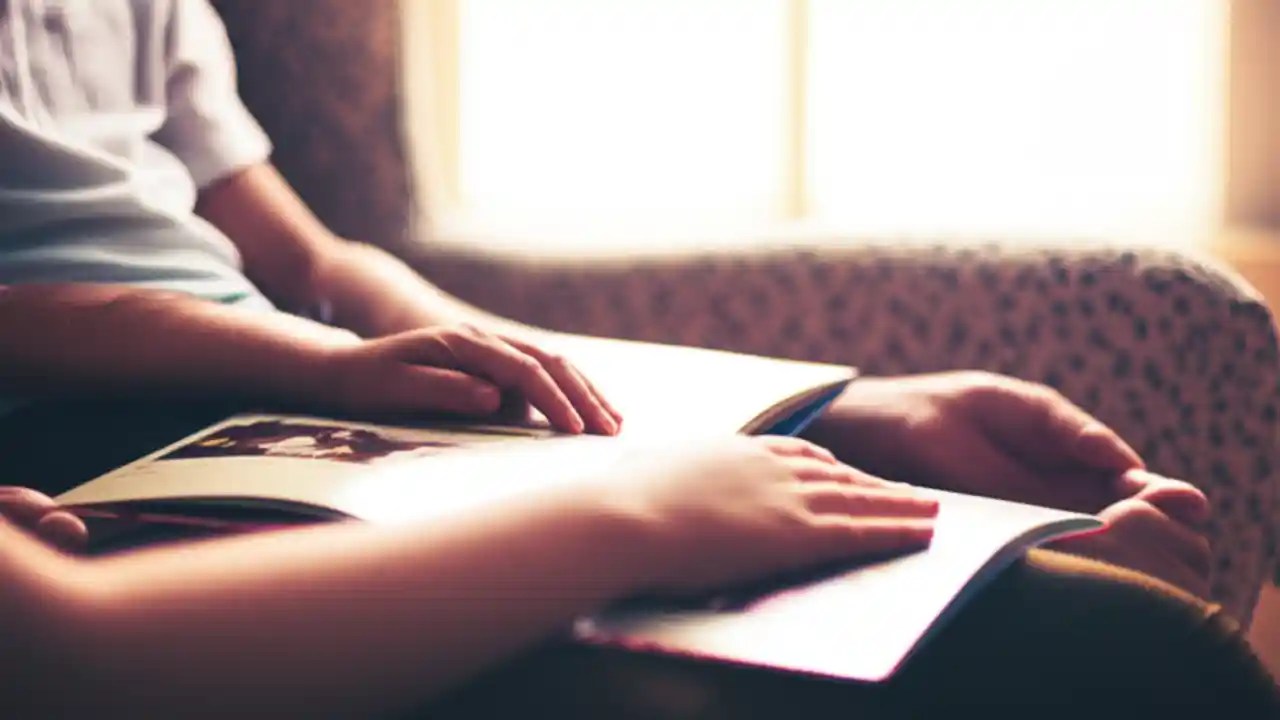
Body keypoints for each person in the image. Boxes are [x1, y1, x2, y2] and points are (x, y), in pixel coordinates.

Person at [0, 0, 1211, 599]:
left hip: (270, 375)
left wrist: (833, 407)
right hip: (88, 419)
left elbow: (312, 261)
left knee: (649, 479)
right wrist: (305, 367)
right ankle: (1024, 594)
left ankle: (1006, 563)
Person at [1, 437, 1276, 718]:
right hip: (118, 468)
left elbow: (317, 259)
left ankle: (966, 563)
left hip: (271, 407)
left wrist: (864, 405)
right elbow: (66, 655)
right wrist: (631, 519)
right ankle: (954, 580)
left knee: (1132, 649)